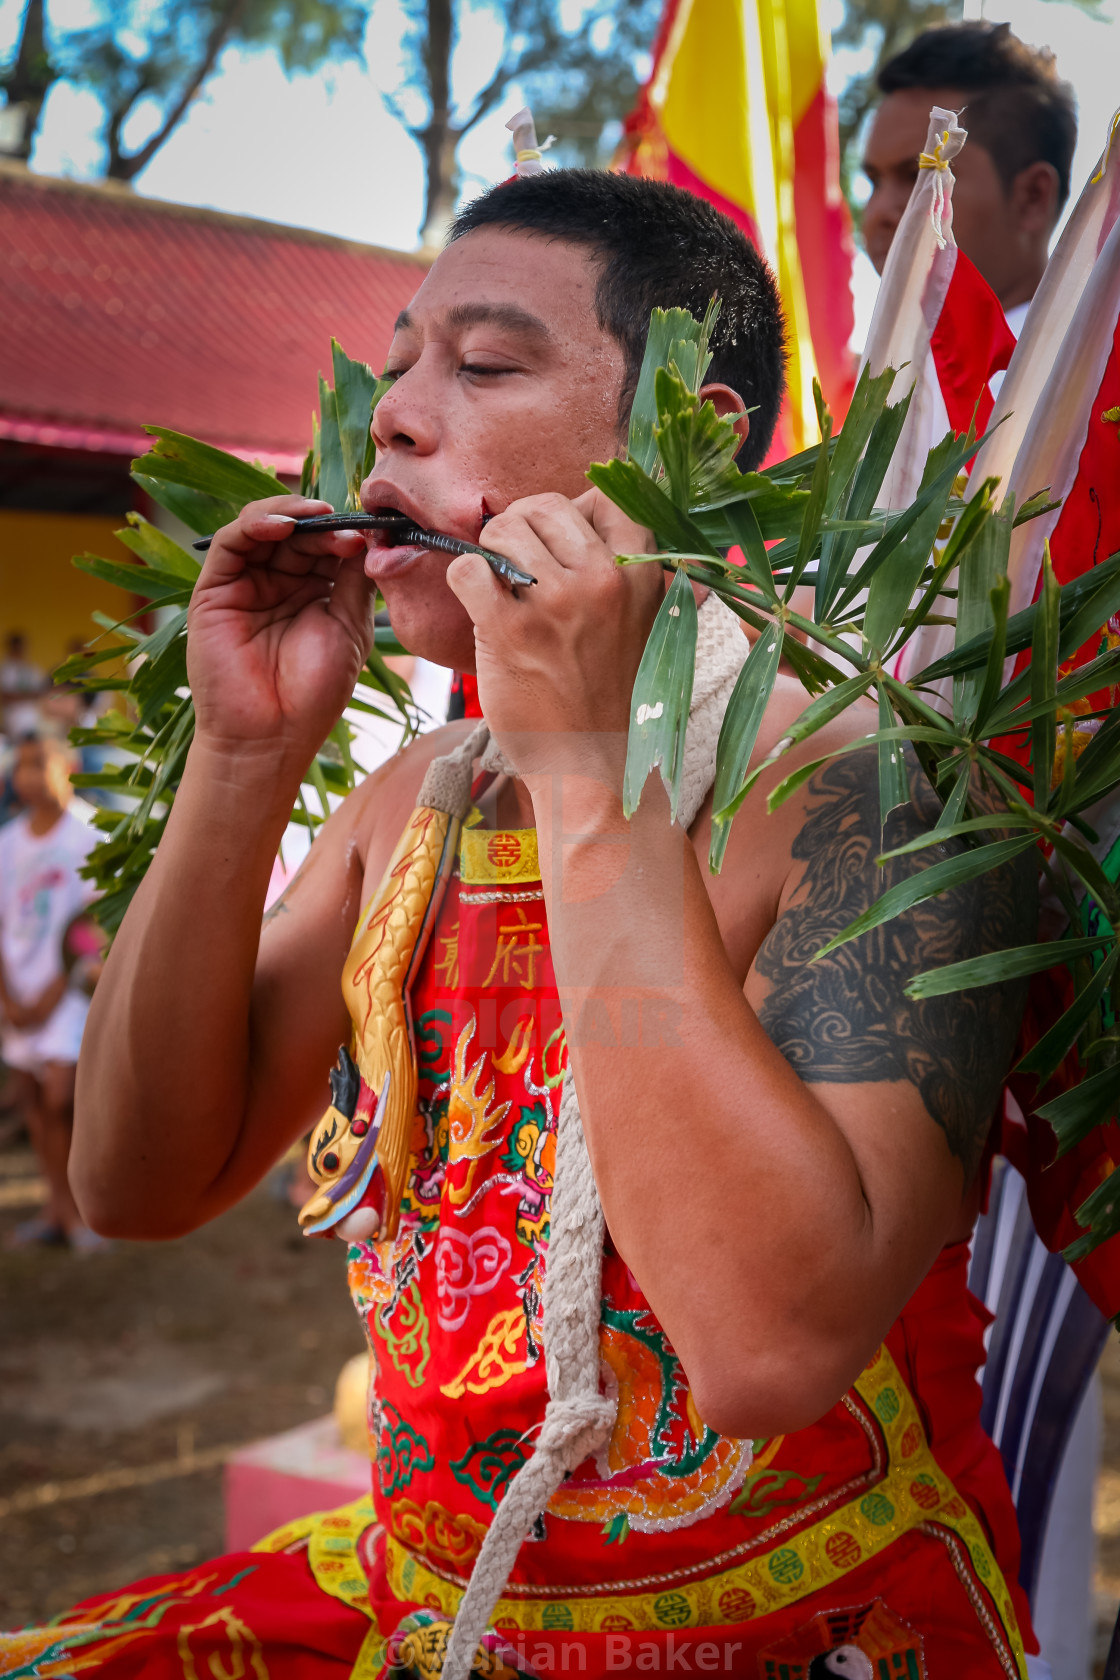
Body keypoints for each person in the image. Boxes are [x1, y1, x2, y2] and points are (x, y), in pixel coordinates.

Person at [4, 171, 1038, 1677]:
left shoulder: (876, 796)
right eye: (400, 366)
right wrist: (242, 758)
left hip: (798, 1630)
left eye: (484, 365)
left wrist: (583, 770)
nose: (394, 417)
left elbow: (768, 1351)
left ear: (688, 443)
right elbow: (135, 1182)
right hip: (431, 1607)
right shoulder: (414, 801)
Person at [861, 21, 1077, 333]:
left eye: (921, 179)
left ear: (1033, 197)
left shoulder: (1087, 365)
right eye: (874, 182)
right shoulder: (890, 362)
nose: (878, 212)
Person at [0, 733, 103, 1252]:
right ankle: (56, 1209)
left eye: (39, 763)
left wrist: (55, 989)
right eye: (20, 766)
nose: (27, 776)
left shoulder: (90, 835)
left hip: (69, 995)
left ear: (69, 767)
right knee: (33, 1101)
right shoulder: (7, 842)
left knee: (63, 1099)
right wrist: (8, 998)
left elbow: (94, 923)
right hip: (17, 996)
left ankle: (82, 1212)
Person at [0, 629, 46, 741]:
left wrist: (19, 695)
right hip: (13, 720)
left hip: (34, 719)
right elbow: (4, 696)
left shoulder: (32, 668)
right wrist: (30, 694)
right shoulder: (5, 669)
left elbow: (44, 692)